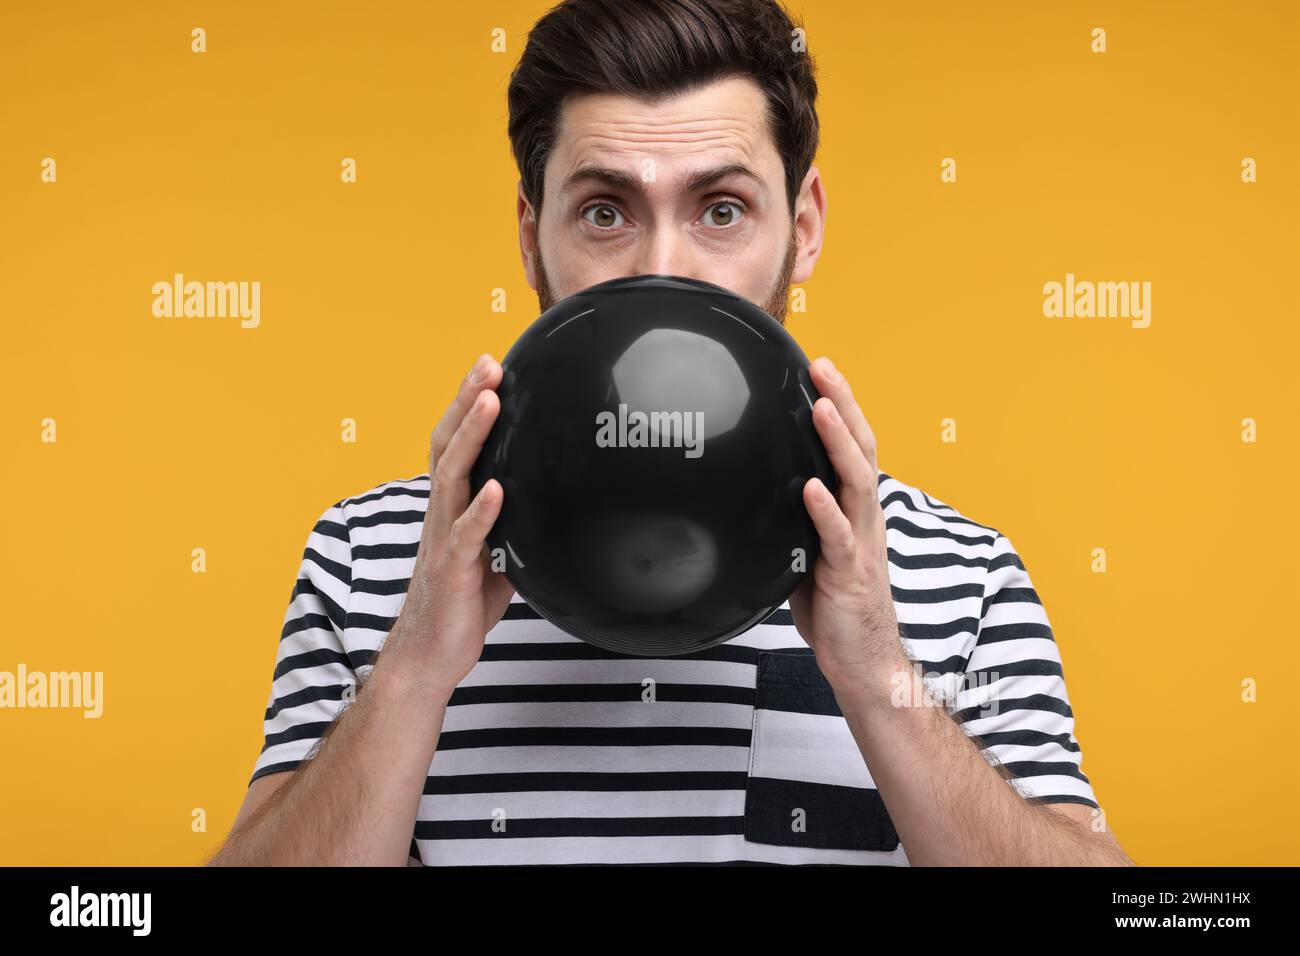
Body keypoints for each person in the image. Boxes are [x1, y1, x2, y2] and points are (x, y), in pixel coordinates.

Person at [209, 0, 1132, 866]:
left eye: (720, 210)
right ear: (532, 238)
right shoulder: (370, 560)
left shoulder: (961, 575)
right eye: (604, 212)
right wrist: (412, 666)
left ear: (802, 228)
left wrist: (880, 674)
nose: (662, 270)